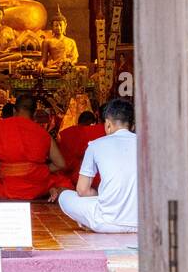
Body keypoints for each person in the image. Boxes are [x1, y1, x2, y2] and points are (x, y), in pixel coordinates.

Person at [58, 98, 137, 235]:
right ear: (133, 126)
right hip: (143, 223)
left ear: (107, 124)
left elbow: (82, 191)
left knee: (64, 196)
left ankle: (88, 219)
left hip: (105, 223)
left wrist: (101, 195)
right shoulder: (151, 144)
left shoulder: (95, 145)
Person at [0, 92, 72, 200]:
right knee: (58, 179)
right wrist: (38, 170)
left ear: (14, 110)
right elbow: (61, 164)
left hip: (8, 187)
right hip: (36, 187)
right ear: (34, 113)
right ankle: (51, 189)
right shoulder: (43, 133)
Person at [58, 109, 107, 183]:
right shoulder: (99, 131)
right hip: (93, 176)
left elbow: (62, 160)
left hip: (69, 176)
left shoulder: (67, 133)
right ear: (92, 123)